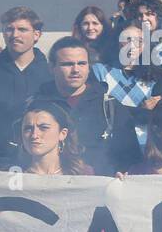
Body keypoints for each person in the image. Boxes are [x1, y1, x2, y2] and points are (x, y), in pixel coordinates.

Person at [36, 37, 141, 175]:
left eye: (82, 63)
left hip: (97, 190)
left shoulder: (110, 107)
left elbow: (131, 159)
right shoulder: (36, 106)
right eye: (67, 64)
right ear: (52, 68)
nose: (75, 70)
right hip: (48, 187)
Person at [0, 7, 51, 169]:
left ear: (37, 35)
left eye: (22, 29)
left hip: (39, 167)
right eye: (9, 29)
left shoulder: (51, 76)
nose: (15, 35)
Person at [15, 100, 94, 176]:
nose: (34, 135)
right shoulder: (12, 174)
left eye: (43, 127)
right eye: (28, 128)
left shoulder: (82, 173)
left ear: (62, 134)